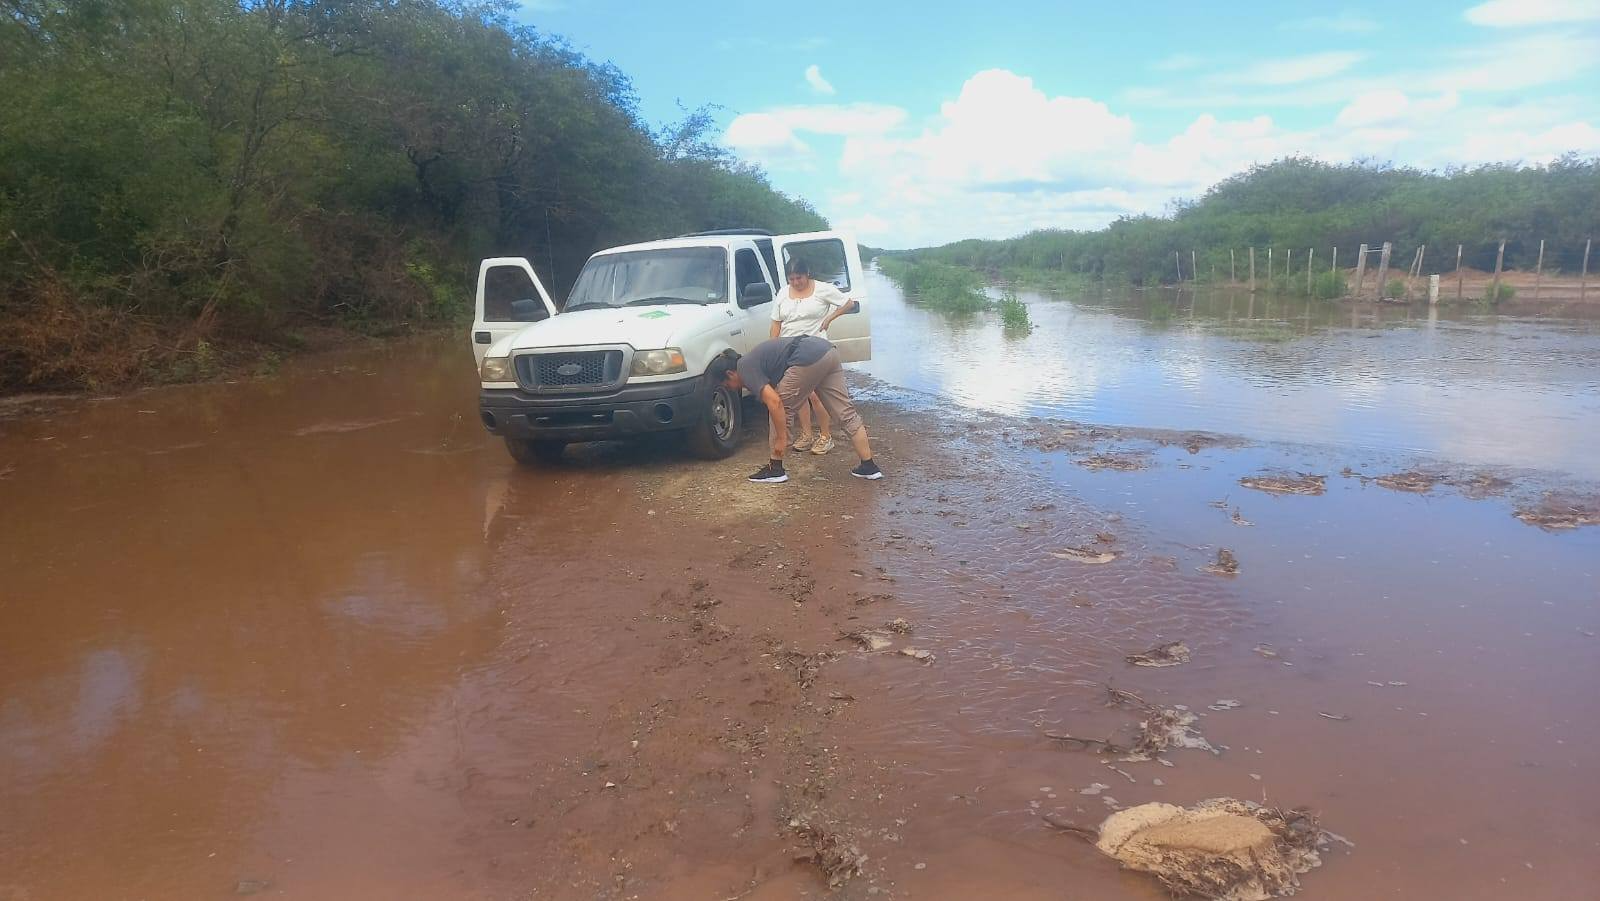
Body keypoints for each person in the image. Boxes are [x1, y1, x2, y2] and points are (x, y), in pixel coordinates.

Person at [712, 335, 883, 484]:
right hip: (827, 351)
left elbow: (776, 403)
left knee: (779, 409)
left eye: (728, 385)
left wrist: (782, 437)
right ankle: (869, 466)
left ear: (730, 373)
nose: (731, 389)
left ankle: (775, 469)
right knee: (845, 413)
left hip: (807, 357)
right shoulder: (753, 360)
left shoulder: (745, 367)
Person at [769, 258, 853, 456]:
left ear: (807, 274)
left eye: (799, 278)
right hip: (789, 350)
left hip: (815, 350)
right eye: (792, 279)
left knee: (816, 395)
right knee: (798, 395)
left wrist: (830, 318)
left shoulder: (822, 289)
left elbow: (848, 303)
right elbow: (775, 324)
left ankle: (825, 436)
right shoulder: (783, 293)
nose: (796, 282)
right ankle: (806, 435)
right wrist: (773, 348)